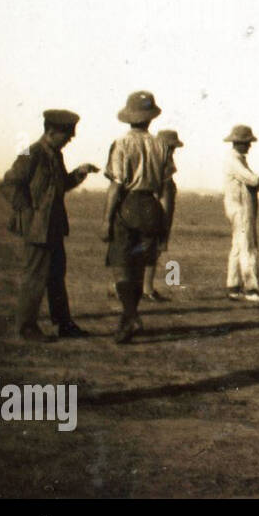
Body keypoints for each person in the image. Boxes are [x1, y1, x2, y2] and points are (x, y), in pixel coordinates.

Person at [0, 110, 101, 341]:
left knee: (56, 275)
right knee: (34, 277)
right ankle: (26, 327)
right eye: (67, 135)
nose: (70, 139)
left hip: (52, 227)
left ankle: (64, 324)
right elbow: (9, 184)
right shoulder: (31, 153)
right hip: (37, 228)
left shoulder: (55, 155)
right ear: (52, 132)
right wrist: (27, 212)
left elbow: (60, 185)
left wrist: (79, 173)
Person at [101, 91, 168, 344]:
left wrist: (106, 220)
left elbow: (116, 184)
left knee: (121, 264)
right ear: (150, 118)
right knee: (139, 267)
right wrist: (164, 224)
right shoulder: (161, 144)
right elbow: (166, 187)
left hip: (128, 204)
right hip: (151, 206)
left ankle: (130, 316)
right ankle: (128, 320)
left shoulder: (122, 144)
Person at [223, 124, 259, 302]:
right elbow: (253, 179)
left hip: (237, 207)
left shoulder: (237, 158)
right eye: (247, 142)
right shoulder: (234, 160)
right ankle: (251, 288)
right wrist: (258, 180)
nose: (249, 146)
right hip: (241, 208)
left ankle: (233, 286)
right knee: (248, 247)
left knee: (238, 247)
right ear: (238, 143)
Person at [142, 129, 183, 301]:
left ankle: (139, 287)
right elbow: (165, 197)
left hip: (148, 209)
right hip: (159, 211)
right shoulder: (164, 165)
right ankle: (147, 289)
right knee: (153, 249)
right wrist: (165, 222)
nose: (173, 151)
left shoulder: (150, 160)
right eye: (172, 148)